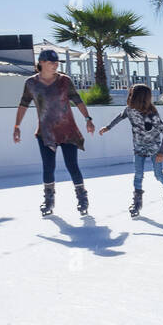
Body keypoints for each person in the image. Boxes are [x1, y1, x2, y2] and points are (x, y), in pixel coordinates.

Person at [15, 49, 96, 218]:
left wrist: (88, 119)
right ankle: (49, 200)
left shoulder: (64, 81)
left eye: (57, 62)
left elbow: (77, 100)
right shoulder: (31, 83)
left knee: (72, 165)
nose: (55, 65)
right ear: (41, 63)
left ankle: (82, 198)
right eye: (51, 62)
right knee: (48, 167)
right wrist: (17, 126)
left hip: (67, 131)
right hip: (45, 133)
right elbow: (23, 104)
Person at [99, 83, 163, 216]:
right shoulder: (129, 110)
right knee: (138, 175)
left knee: (158, 175)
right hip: (138, 148)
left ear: (140, 97)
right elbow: (120, 117)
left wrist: (161, 152)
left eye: (132, 94)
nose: (129, 97)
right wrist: (108, 127)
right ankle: (137, 203)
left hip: (155, 149)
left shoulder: (152, 115)